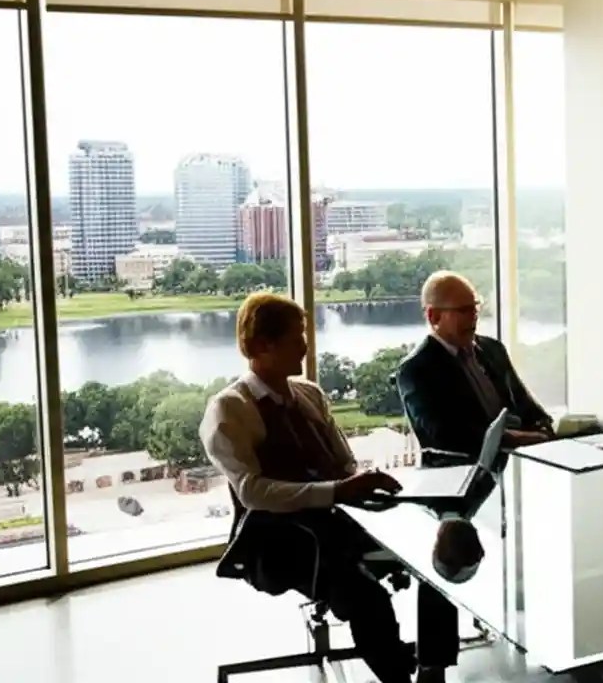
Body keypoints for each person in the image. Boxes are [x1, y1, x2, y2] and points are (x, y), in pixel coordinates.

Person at [201, 293, 459, 683]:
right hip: (280, 540)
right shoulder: (230, 409)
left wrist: (363, 488)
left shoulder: (309, 394)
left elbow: (344, 464)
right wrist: (338, 491)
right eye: (294, 337)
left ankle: (432, 667)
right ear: (259, 347)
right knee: (365, 597)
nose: (304, 346)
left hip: (341, 522)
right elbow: (253, 493)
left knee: (436, 552)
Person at [397, 271, 553, 459]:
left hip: (519, 464)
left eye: (475, 308)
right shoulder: (416, 370)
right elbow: (449, 437)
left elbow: (527, 406)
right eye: (463, 310)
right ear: (433, 316)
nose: (473, 317)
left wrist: (544, 429)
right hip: (461, 475)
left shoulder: (493, 349)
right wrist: (524, 439)